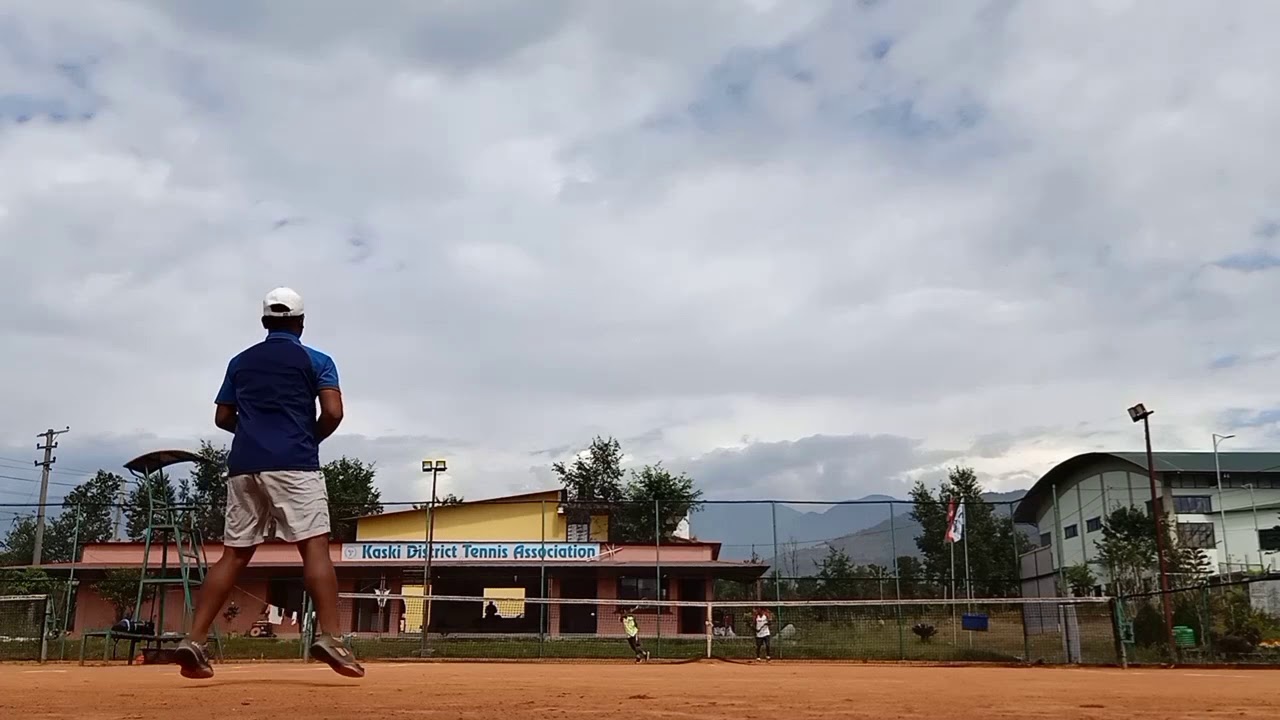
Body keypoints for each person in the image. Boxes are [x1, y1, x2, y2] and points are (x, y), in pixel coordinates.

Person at [174, 287, 364, 680]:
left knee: (234, 555)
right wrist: (308, 437)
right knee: (314, 548)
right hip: (294, 463)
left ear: (264, 322)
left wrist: (254, 432)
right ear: (301, 322)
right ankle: (331, 636)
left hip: (244, 466)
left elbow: (223, 417)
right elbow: (333, 411)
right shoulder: (317, 360)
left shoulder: (240, 362)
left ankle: (193, 639)